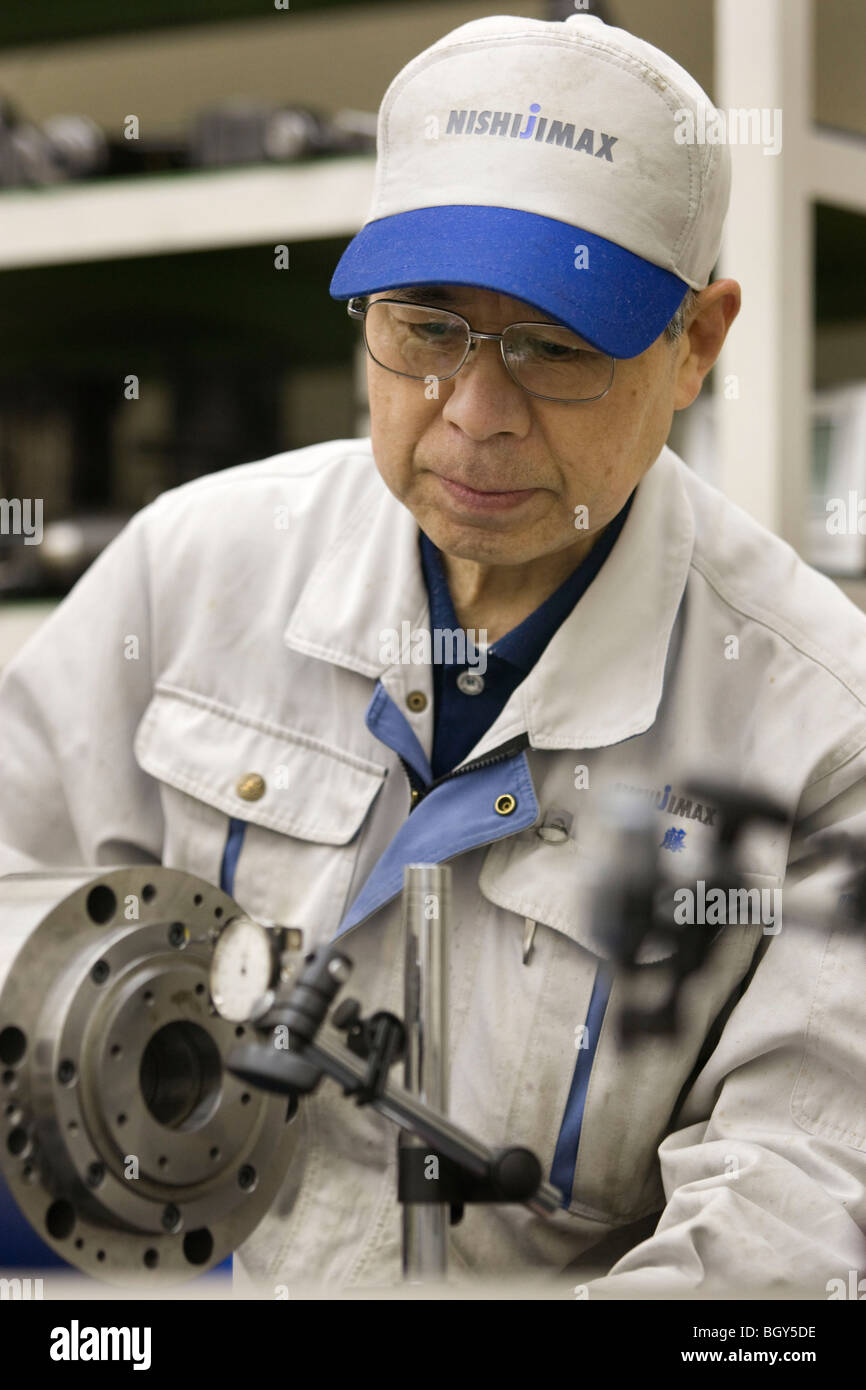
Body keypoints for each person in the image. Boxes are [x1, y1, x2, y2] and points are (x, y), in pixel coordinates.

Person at [1, 12, 865, 1298]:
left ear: (696, 342)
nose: (472, 415)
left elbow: (789, 1206)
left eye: (553, 348)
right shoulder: (195, 571)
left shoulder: (816, 727)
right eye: (422, 329)